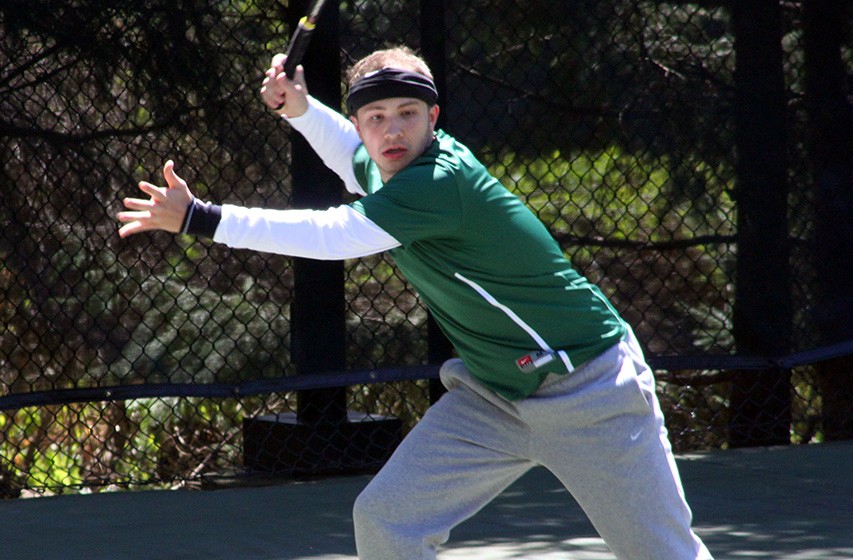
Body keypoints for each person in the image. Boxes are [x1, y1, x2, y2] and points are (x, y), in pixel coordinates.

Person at [117, 46, 713, 560]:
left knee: (662, 553)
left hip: (588, 389)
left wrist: (201, 218)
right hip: (493, 397)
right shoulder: (388, 165)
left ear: (433, 117)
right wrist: (299, 109)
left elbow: (335, 237)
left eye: (406, 114)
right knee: (386, 519)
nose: (391, 130)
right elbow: (349, 152)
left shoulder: (439, 182)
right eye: (375, 117)